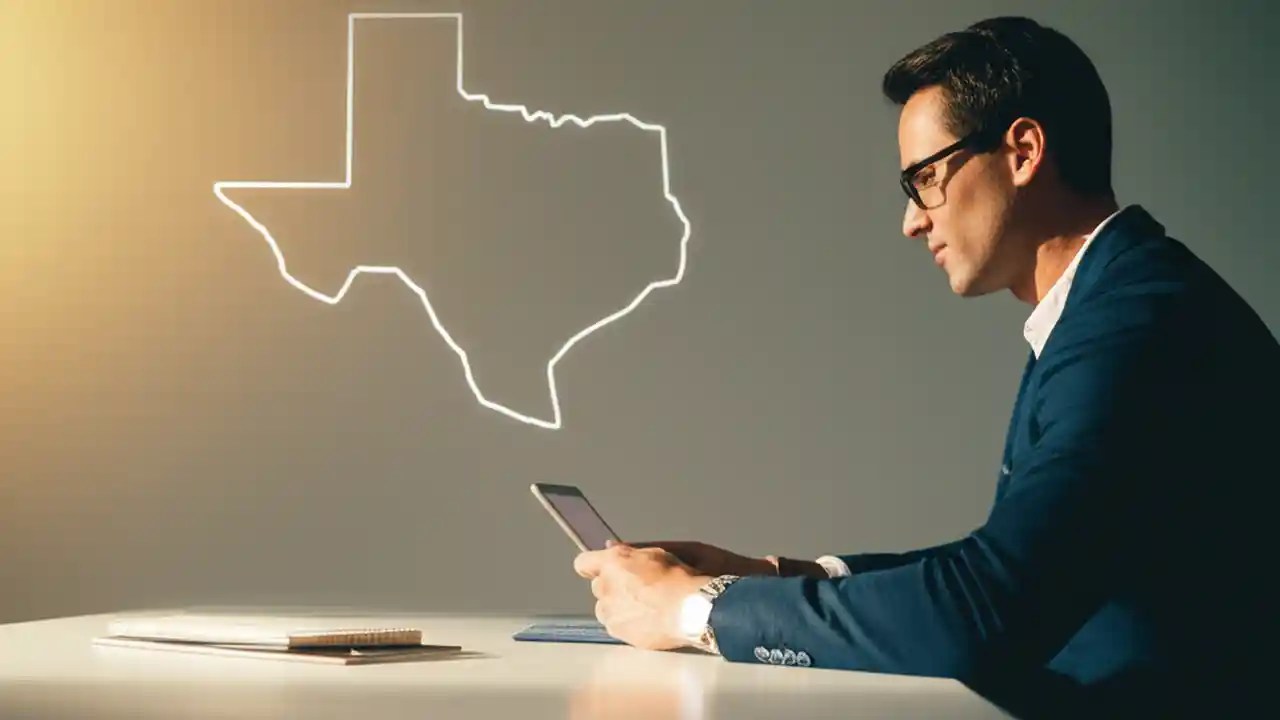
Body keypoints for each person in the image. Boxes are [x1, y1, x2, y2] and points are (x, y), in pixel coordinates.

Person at [573, 15, 1278, 716]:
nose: (914, 220)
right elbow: (1013, 570)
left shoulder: (1136, 325)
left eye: (926, 178)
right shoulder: (1118, 302)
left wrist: (700, 609)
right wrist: (773, 577)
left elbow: (983, 611)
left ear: (1023, 152)